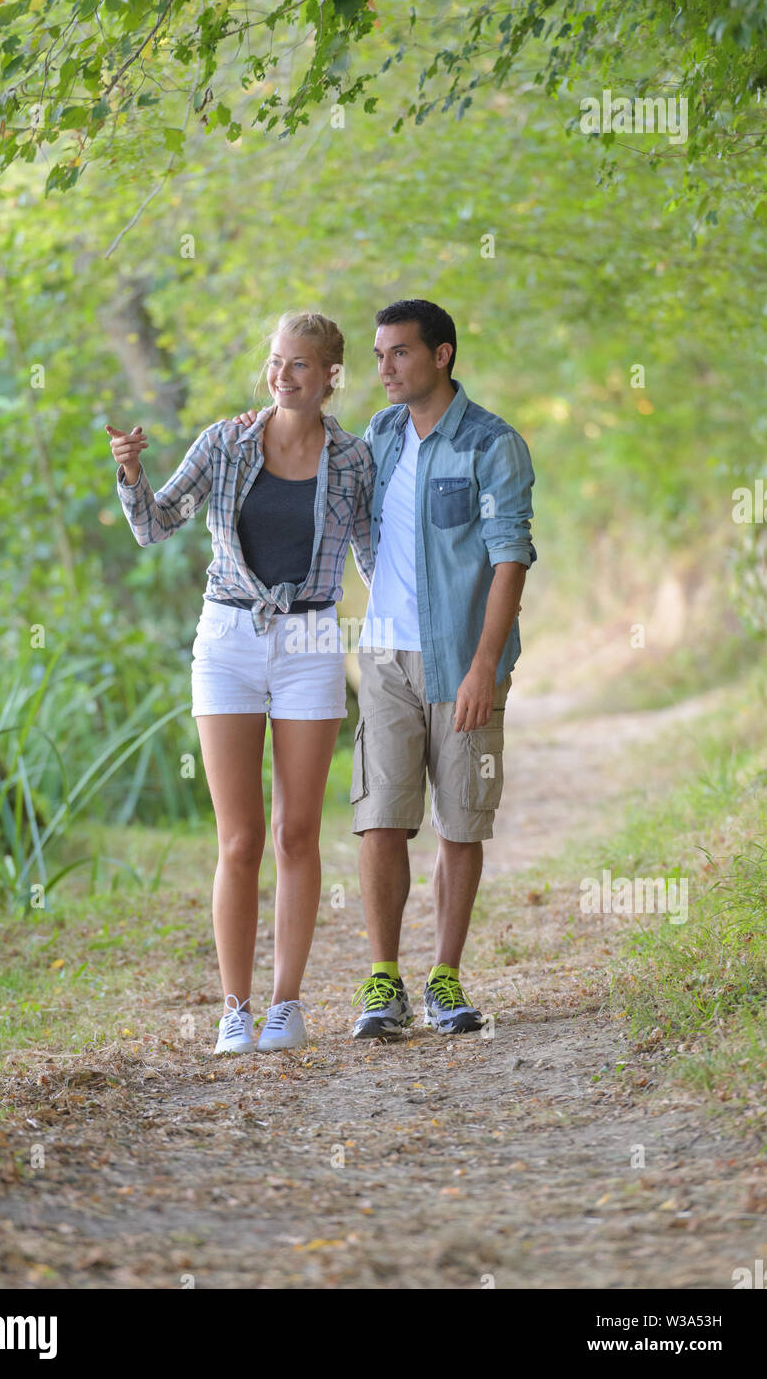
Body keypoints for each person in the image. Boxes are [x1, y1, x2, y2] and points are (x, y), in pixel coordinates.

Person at [234, 298, 536, 1040]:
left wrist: (482, 668)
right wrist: (258, 432)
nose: (383, 368)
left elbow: (509, 559)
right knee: (380, 821)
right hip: (385, 657)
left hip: (465, 658)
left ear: (442, 355)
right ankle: (384, 981)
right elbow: (314, 460)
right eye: (376, 355)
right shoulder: (380, 438)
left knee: (461, 821)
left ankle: (445, 977)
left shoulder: (492, 445)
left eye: (398, 353)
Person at [107, 312, 374, 1055]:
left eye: (299, 365)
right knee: (241, 837)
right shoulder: (225, 442)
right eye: (275, 362)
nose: (282, 376)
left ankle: (286, 1005)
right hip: (227, 636)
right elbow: (157, 525)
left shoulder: (351, 459)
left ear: (329, 377)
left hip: (314, 637)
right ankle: (235, 1008)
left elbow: (376, 559)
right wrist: (132, 474)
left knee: (295, 832)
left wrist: (409, 638)